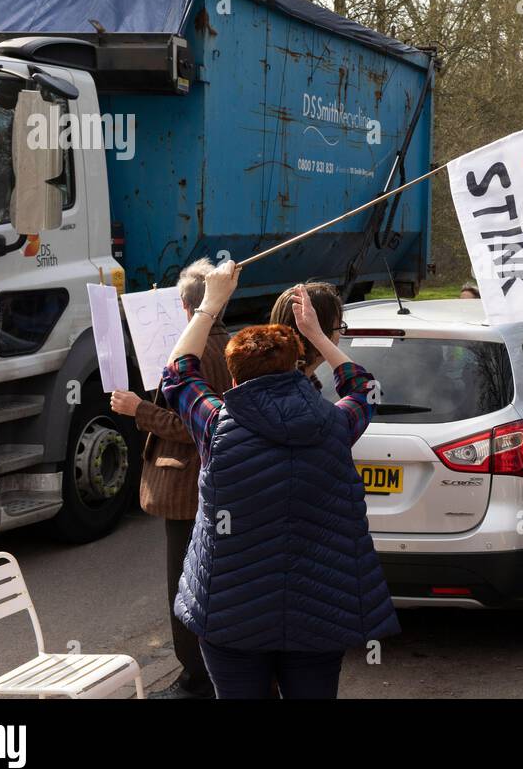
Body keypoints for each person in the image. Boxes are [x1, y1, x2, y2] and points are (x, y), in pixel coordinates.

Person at [162, 262, 399, 698]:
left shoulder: (214, 425)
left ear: (233, 378)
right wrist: (320, 337)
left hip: (231, 619)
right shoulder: (335, 424)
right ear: (296, 366)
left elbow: (177, 374)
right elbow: (365, 388)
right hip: (318, 616)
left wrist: (210, 304)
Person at [109, 257, 231, 700]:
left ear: (184, 305)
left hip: (186, 490)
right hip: (212, 490)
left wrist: (138, 411)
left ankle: (193, 680)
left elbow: (193, 426)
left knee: (183, 592)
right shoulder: (226, 343)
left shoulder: (197, 352)